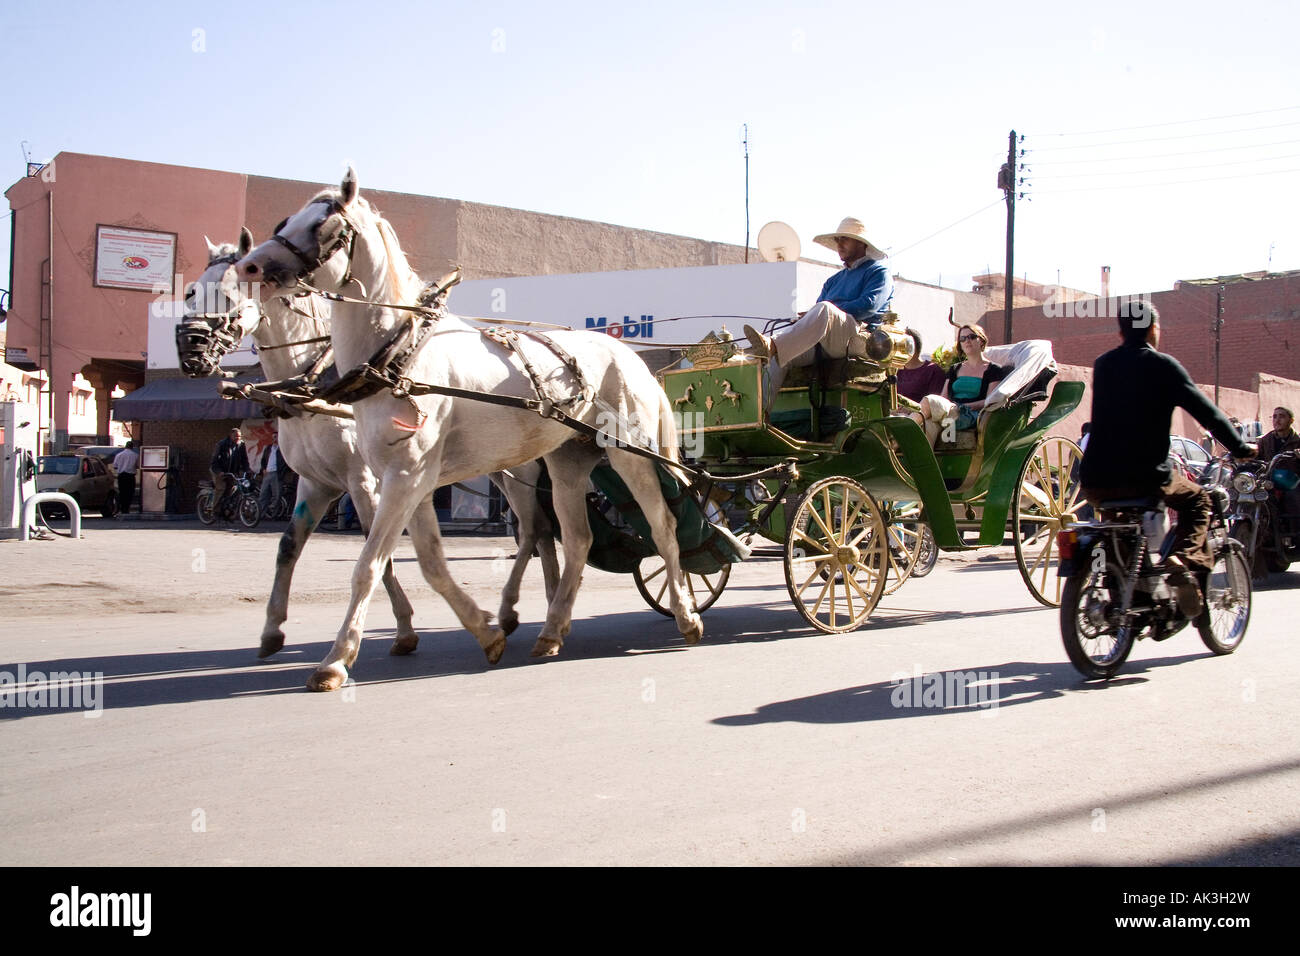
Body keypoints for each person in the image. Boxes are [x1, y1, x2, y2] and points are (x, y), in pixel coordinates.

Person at [1080, 301, 1254, 616]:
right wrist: (1241, 447)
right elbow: (1209, 414)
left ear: (1120, 332)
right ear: (1154, 329)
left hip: (1095, 480)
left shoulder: (1103, 364)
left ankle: (1131, 599)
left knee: (1120, 530)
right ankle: (1183, 560)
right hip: (1145, 477)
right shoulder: (1164, 366)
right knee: (1200, 500)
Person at [744, 217, 893, 375]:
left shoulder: (878, 272)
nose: (839, 244)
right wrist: (807, 317)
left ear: (861, 243)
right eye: (837, 239)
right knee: (778, 358)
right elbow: (820, 314)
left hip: (860, 337)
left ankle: (771, 344)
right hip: (825, 341)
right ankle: (761, 396)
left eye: (845, 239)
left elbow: (868, 306)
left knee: (825, 309)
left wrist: (830, 311)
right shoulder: (833, 280)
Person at [906, 324, 1010, 445]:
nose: (967, 341)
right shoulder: (955, 369)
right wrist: (950, 407)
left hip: (969, 414)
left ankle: (904, 429)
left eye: (972, 337)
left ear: (981, 340)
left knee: (929, 400)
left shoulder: (993, 369)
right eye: (963, 339)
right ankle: (915, 458)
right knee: (926, 425)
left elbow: (989, 401)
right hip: (950, 412)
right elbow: (943, 397)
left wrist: (963, 406)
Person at [894, 329, 947, 404]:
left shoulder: (932, 370)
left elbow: (934, 404)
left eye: (901, 345)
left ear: (912, 347)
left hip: (919, 414)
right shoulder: (896, 371)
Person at [210, 428, 250, 513]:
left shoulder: (241, 445)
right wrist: (219, 471)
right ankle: (215, 511)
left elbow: (244, 459)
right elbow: (214, 460)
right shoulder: (222, 444)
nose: (238, 438)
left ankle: (227, 511)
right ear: (230, 435)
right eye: (236, 436)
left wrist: (247, 469)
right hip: (219, 470)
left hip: (231, 472)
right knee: (221, 488)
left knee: (233, 489)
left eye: (239, 436)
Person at [258, 438, 289, 517]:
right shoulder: (268, 448)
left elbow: (287, 462)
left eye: (276, 436)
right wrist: (263, 469)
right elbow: (263, 460)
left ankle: (273, 514)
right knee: (263, 494)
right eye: (273, 437)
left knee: (277, 495)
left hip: (277, 473)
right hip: (268, 473)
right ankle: (260, 515)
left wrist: (283, 472)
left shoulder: (283, 449)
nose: (274, 438)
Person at [112, 440, 139, 515]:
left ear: (125, 446)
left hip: (121, 476)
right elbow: (137, 466)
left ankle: (122, 508)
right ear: (132, 447)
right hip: (130, 476)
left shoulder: (119, 455)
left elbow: (115, 466)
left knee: (122, 492)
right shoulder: (135, 455)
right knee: (130, 493)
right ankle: (127, 508)